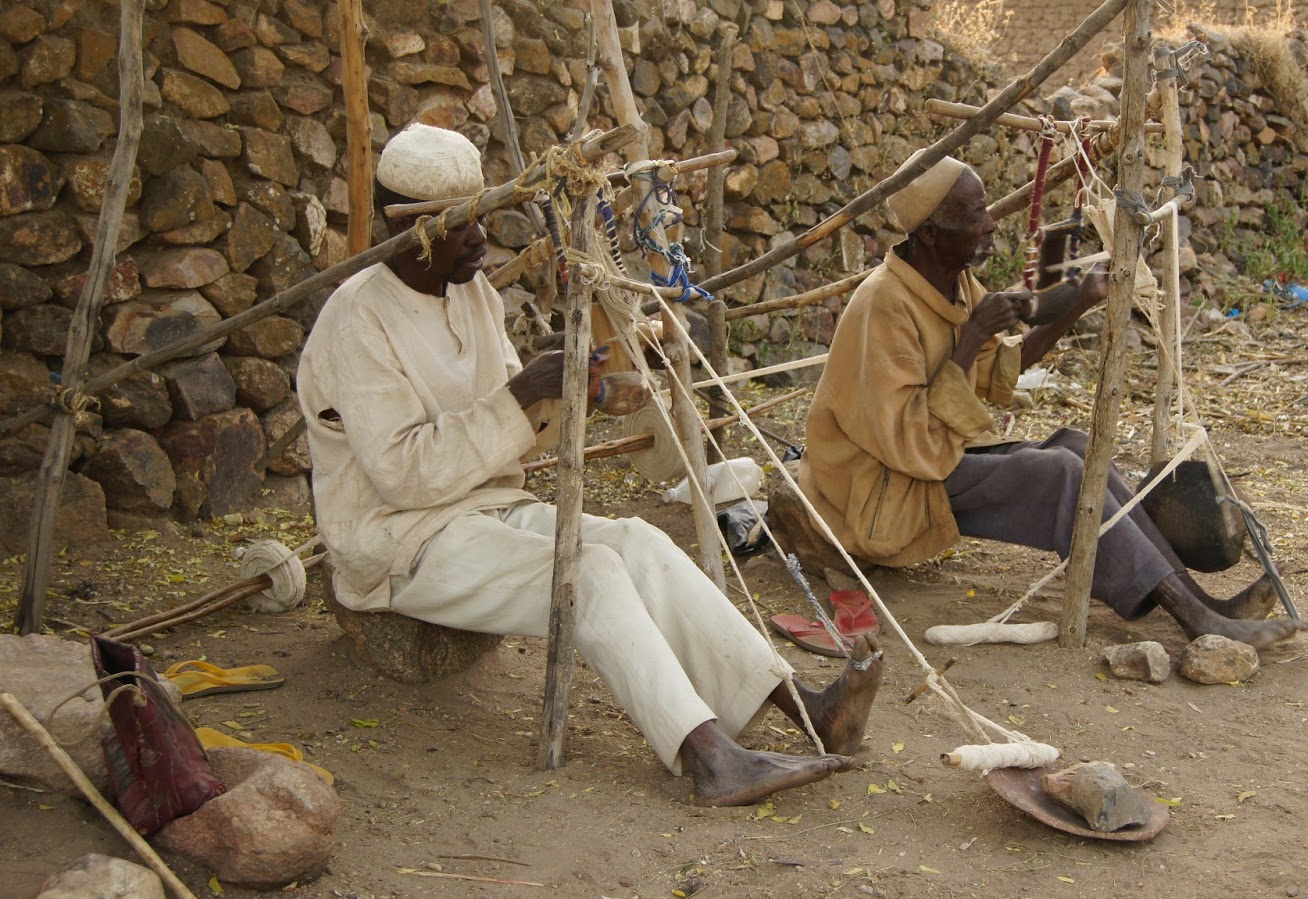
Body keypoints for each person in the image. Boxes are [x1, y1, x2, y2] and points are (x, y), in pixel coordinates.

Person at [297, 123, 881, 806]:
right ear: (418, 231)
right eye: (463, 227)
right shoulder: (356, 321)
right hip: (397, 539)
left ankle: (809, 709)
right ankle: (710, 758)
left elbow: (514, 435)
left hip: (482, 507)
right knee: (589, 571)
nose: (483, 238)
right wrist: (525, 393)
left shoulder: (473, 295)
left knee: (637, 539)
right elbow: (402, 475)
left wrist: (584, 388)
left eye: (481, 217)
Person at [797, 154, 1308, 648]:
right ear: (931, 232)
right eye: (975, 214)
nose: (990, 224)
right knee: (1058, 475)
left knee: (1079, 451)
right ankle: (1196, 618)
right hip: (875, 492)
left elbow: (1004, 370)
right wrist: (974, 334)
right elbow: (910, 442)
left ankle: (1202, 604)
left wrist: (1080, 300)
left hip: (922, 460)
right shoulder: (884, 305)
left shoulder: (951, 284)